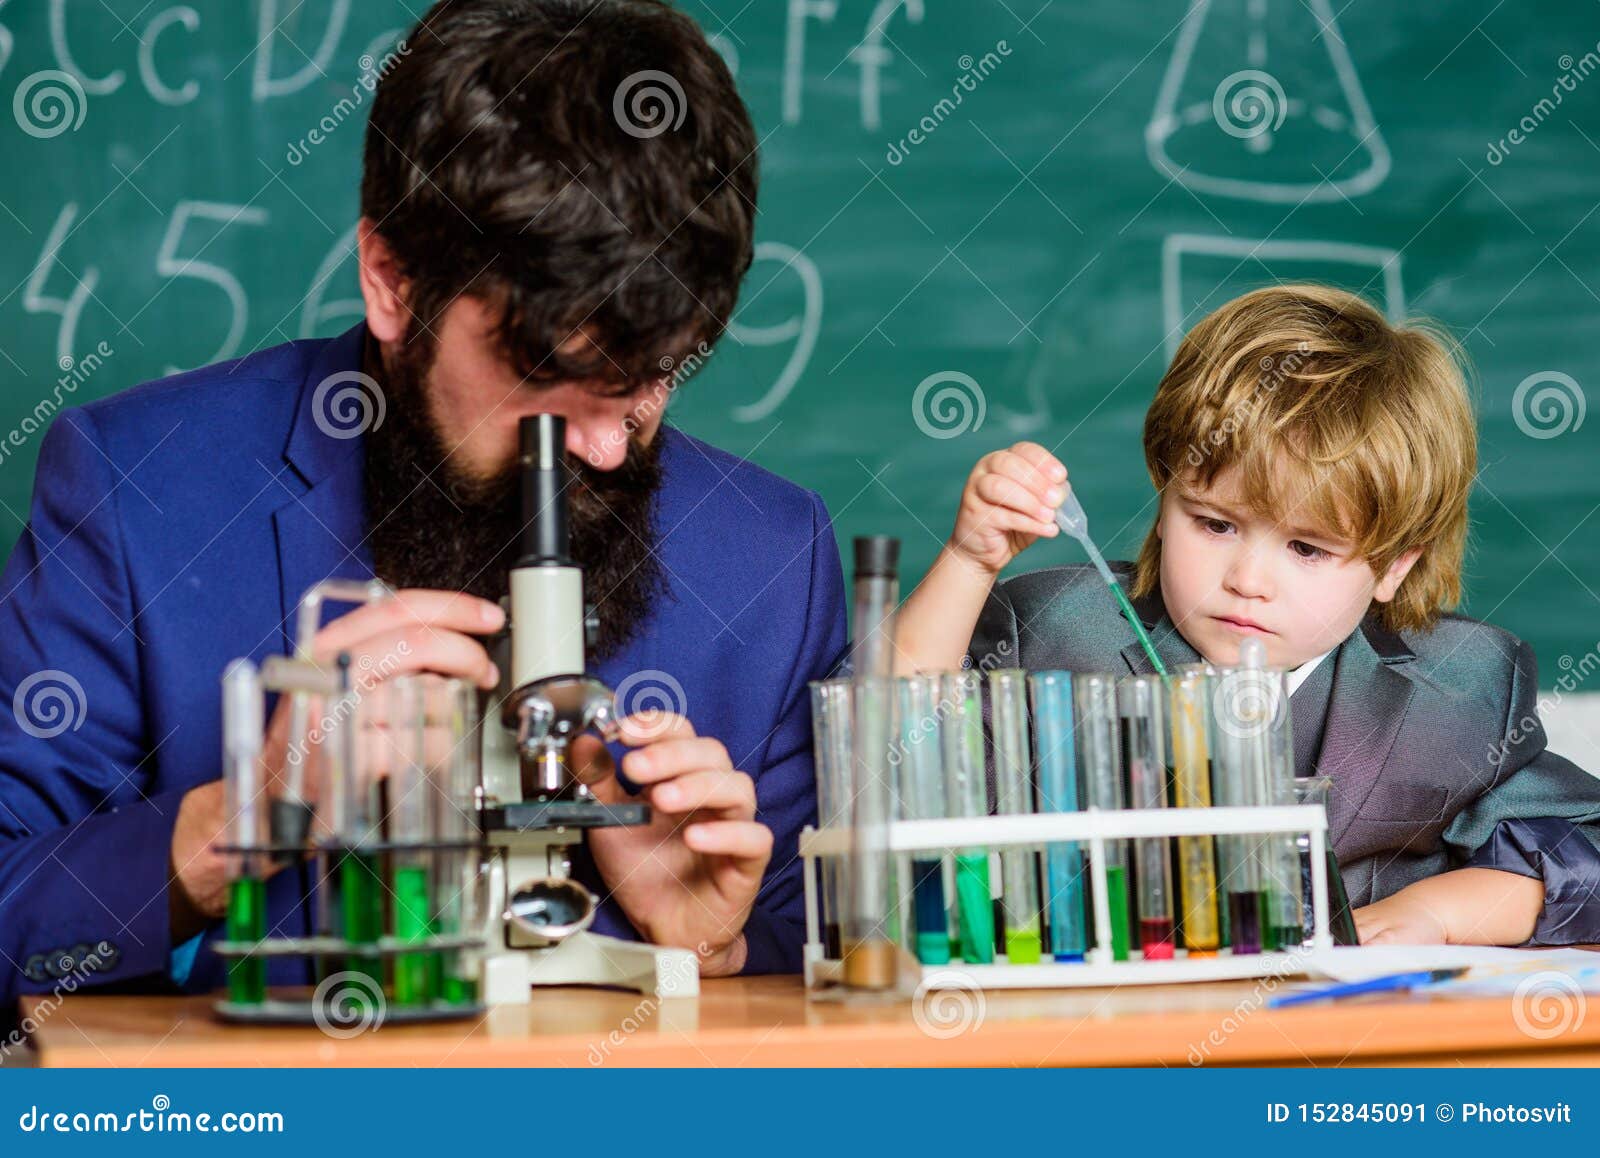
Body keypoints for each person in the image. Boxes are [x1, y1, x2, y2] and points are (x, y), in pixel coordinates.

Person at [0, 0, 846, 1012]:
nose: (608, 448)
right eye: (546, 381)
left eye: (651, 381)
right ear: (394, 283)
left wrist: (714, 943)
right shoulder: (142, 490)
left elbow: (839, 959)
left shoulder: (771, 558)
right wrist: (242, 817)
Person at [894, 283, 1600, 946]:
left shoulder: (1462, 686)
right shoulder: (1053, 629)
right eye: (1216, 524)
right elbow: (877, 756)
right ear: (1165, 495)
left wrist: (1435, 912)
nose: (1248, 580)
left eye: (1307, 548)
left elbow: (1581, 854)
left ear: (1393, 567)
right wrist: (968, 561)